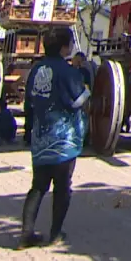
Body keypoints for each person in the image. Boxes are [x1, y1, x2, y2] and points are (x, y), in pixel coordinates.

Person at [20, 27, 90, 249]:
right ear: (63, 47)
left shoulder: (37, 68)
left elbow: (30, 100)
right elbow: (77, 99)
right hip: (63, 139)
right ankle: (55, 233)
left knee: (38, 186)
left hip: (41, 136)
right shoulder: (67, 71)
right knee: (62, 187)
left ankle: (26, 234)